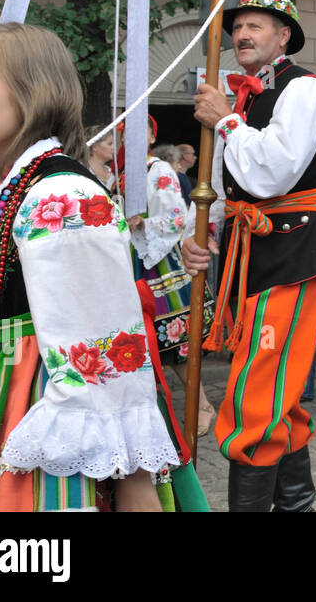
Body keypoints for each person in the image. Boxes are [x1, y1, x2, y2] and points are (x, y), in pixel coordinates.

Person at [0, 22, 206, 510]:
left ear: (34, 92)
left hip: (47, 412)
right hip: (12, 395)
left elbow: (105, 347)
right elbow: (12, 314)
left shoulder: (60, 195)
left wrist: (134, 481)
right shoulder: (18, 188)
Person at [190, 0, 316, 512]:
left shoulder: (304, 89)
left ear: (283, 37)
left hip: (291, 248)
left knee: (255, 391)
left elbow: (273, 170)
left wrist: (226, 121)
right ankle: (295, 505)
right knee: (276, 387)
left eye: (256, 26)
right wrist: (205, 236)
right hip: (250, 253)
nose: (241, 34)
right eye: (238, 27)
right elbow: (227, 182)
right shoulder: (244, 95)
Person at [120, 118, 216, 436]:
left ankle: (201, 404)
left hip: (156, 261)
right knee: (139, 343)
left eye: (140, 130)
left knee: (173, 341)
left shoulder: (159, 170)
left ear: (151, 136)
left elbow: (177, 216)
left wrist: (142, 223)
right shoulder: (119, 174)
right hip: (128, 260)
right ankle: (154, 413)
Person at [86, 123, 116, 190]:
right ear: (94, 146)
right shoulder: (84, 171)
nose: (113, 147)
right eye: (109, 144)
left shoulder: (110, 172)